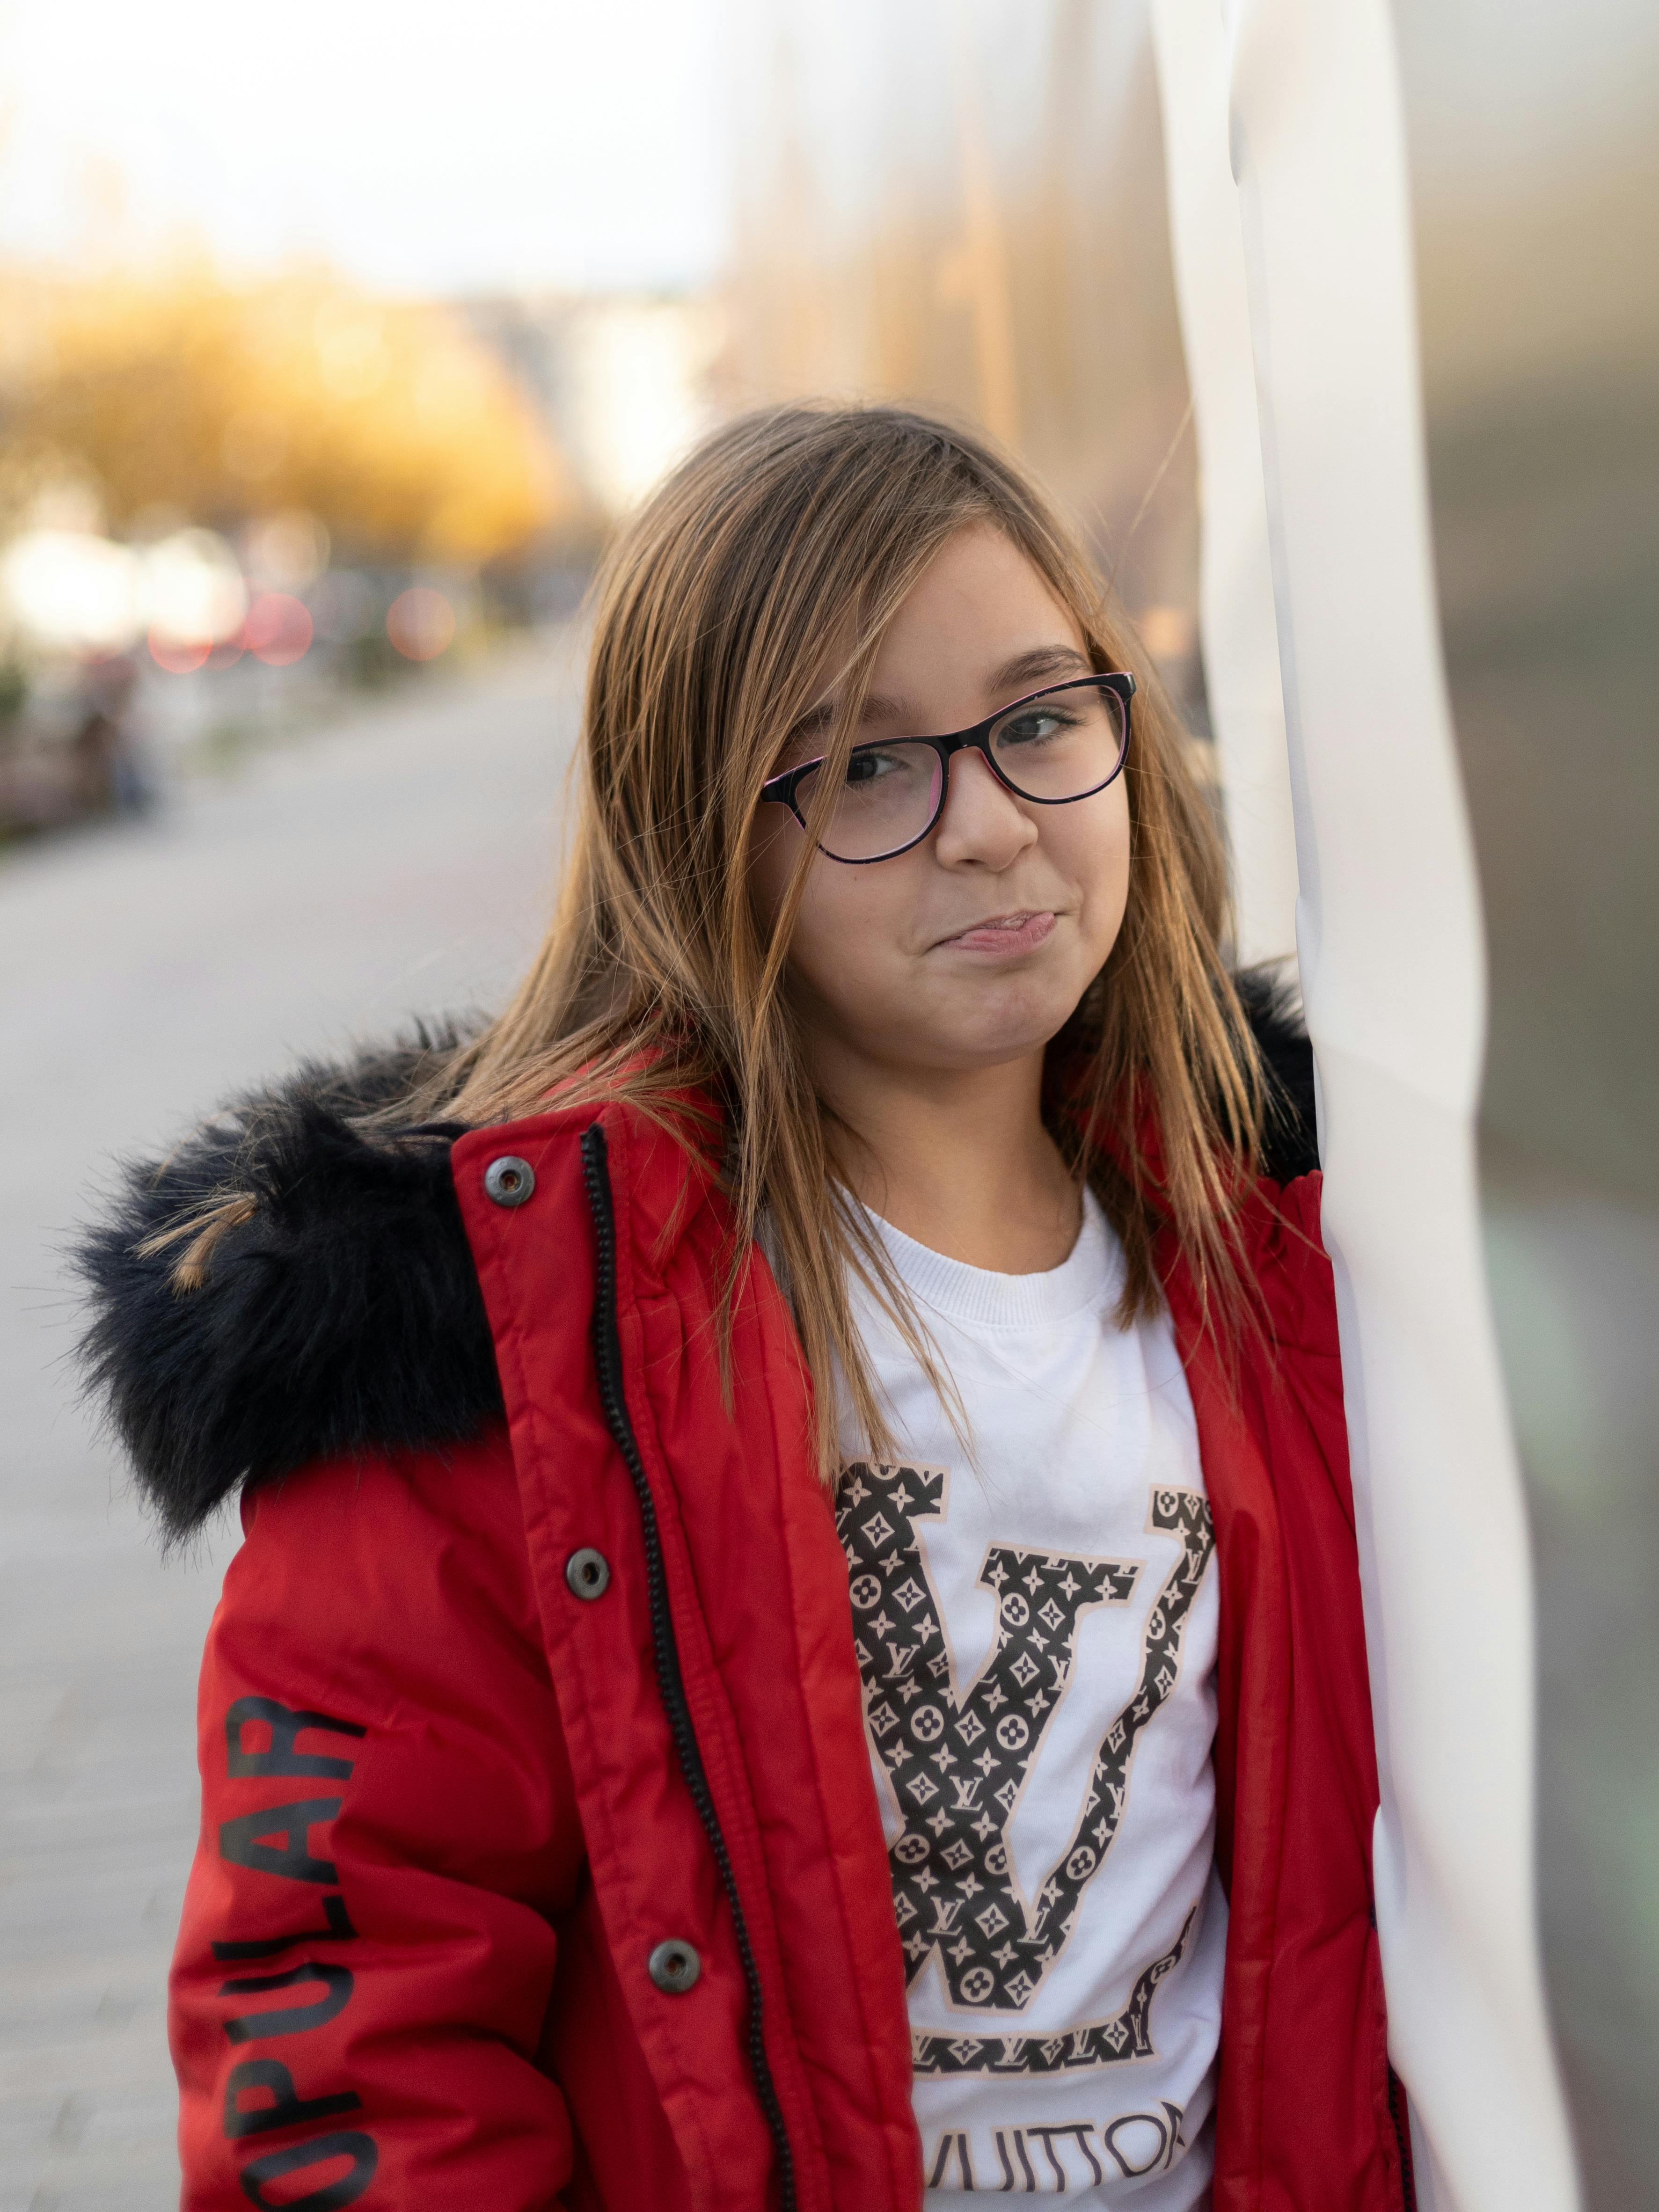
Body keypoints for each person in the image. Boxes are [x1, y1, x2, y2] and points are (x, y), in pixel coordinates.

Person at [76, 406, 1409, 2211]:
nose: (991, 828)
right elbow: (342, 2010)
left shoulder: (1298, 1253)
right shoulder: (510, 1345)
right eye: (863, 770)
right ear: (695, 830)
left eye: (1036, 722)